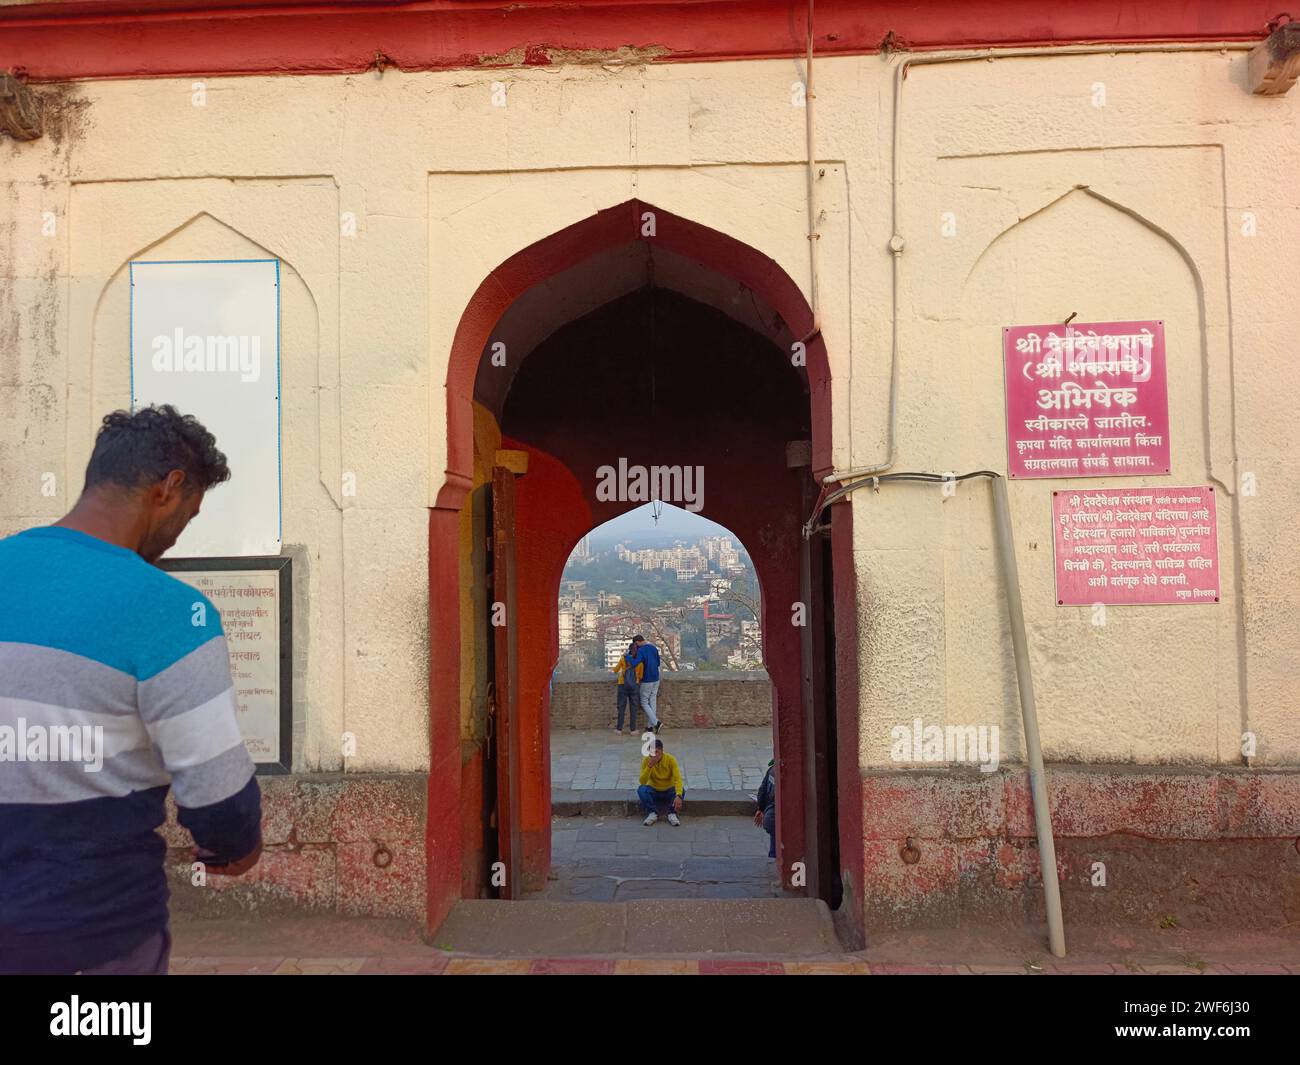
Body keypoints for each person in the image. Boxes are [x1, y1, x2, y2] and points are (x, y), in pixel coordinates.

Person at [0, 405, 263, 975]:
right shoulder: (169, 613)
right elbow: (218, 799)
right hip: (95, 937)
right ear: (167, 490)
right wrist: (235, 847)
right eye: (189, 515)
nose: (175, 537)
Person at [637, 739, 684, 826]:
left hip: (669, 790)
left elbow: (678, 779)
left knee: (681, 791)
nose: (653, 755)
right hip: (653, 790)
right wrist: (649, 766)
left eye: (656, 752)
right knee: (641, 790)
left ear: (662, 751)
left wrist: (678, 795)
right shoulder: (647, 760)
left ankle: (672, 813)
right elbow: (642, 781)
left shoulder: (670, 760)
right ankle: (652, 813)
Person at [624, 633, 662, 732]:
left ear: (637, 642)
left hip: (647, 679)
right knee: (652, 700)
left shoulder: (641, 650)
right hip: (656, 678)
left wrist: (627, 656)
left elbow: (634, 663)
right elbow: (658, 662)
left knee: (644, 702)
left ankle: (656, 722)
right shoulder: (653, 648)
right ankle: (650, 726)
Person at [613, 640, 643, 734]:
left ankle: (619, 729)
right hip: (635, 685)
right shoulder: (640, 662)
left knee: (621, 707)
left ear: (629, 650)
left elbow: (615, 670)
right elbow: (641, 676)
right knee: (633, 708)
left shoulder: (623, 659)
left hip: (622, 684)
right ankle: (633, 729)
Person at [754, 758, 777, 858]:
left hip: (770, 816)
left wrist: (760, 808)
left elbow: (762, 791)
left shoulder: (772, 770)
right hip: (774, 817)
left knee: (774, 841)